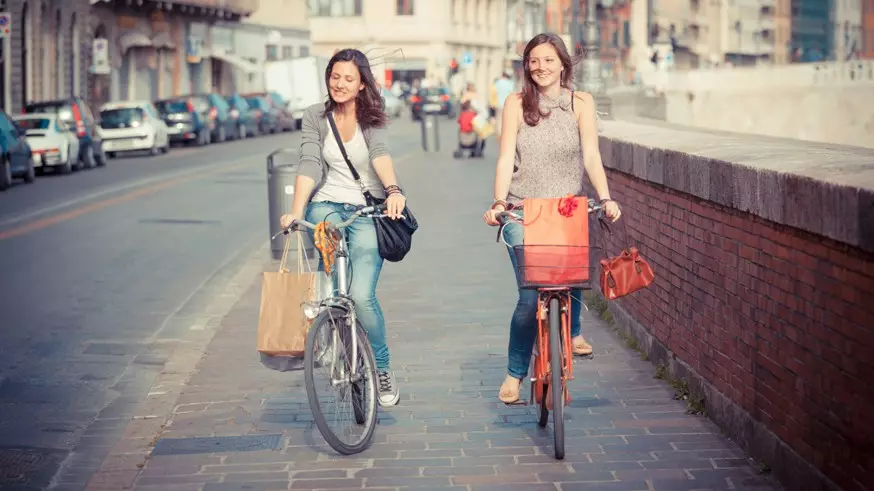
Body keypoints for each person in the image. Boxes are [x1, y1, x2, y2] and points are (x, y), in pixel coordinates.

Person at [481, 33, 622, 404]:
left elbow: (591, 155)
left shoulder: (580, 103)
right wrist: (498, 202)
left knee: (572, 271)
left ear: (563, 63)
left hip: (565, 208)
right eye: (533, 61)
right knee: (529, 299)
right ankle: (515, 374)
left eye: (548, 60)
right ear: (526, 66)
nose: (540, 67)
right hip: (521, 208)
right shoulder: (515, 103)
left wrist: (605, 197)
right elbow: (504, 157)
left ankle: (572, 331)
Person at [279, 48, 406, 407]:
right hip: (327, 204)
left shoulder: (373, 119)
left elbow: (380, 154)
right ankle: (330, 325)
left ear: (361, 83)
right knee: (330, 266)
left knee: (363, 295)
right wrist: (295, 211)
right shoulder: (315, 117)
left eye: (348, 78)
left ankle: (381, 368)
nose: (340, 83)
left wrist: (393, 190)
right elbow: (309, 161)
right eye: (335, 76)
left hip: (367, 209)